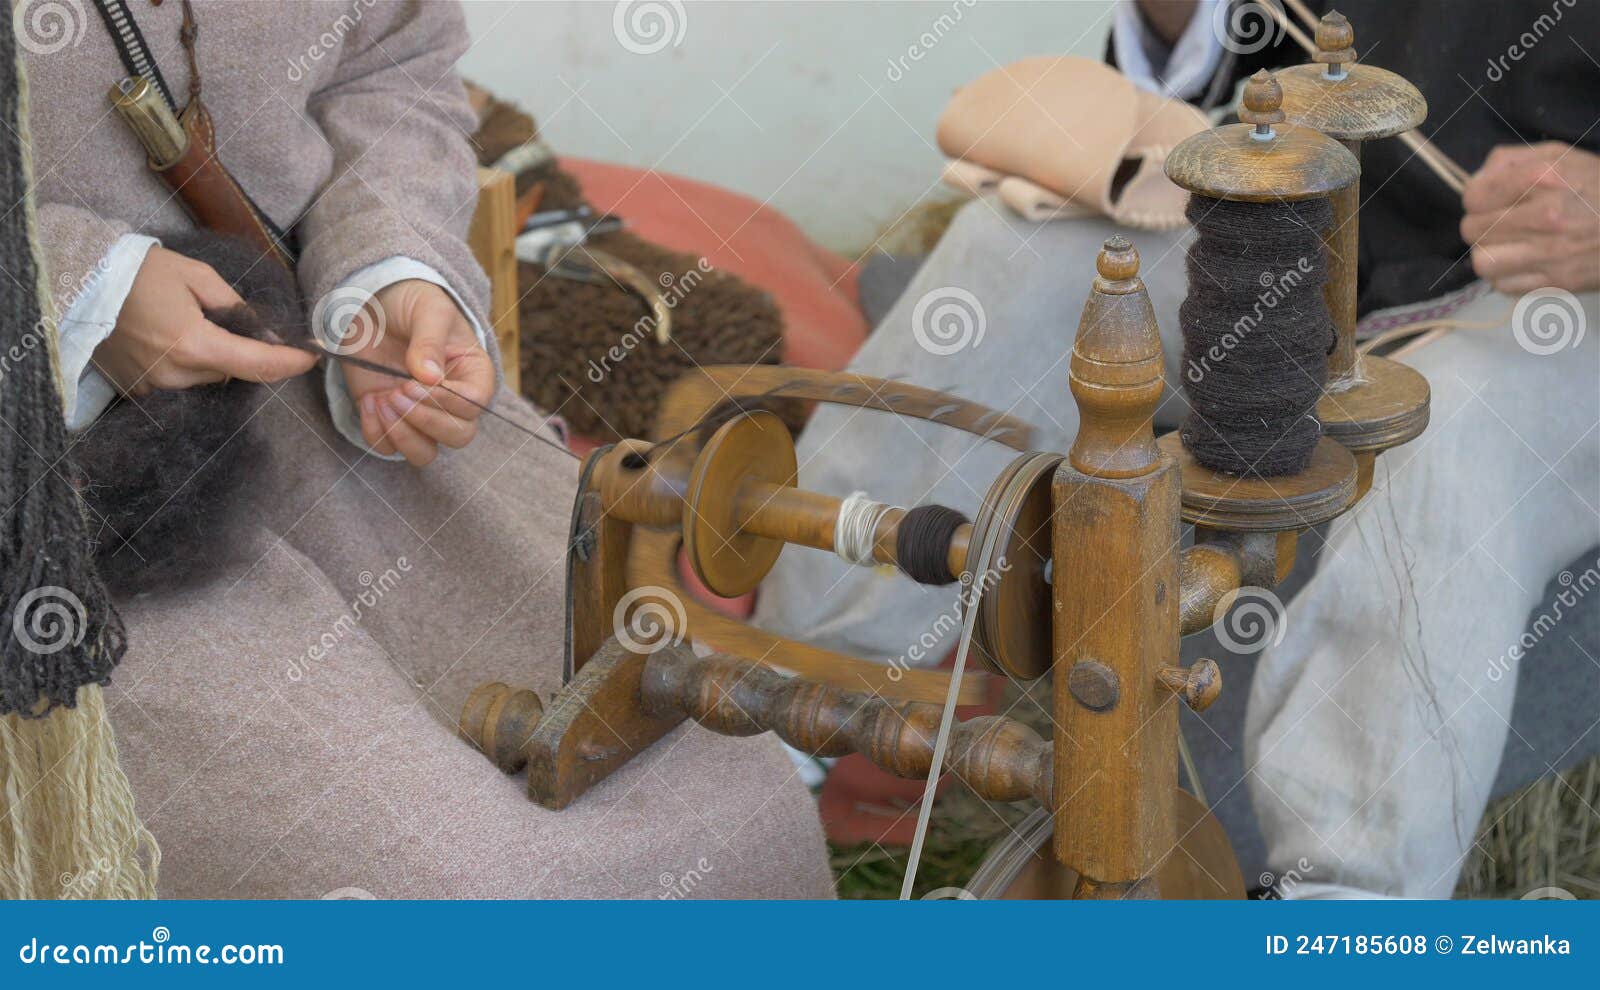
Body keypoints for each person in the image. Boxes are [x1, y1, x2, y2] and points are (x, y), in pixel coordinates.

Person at [754, 0, 1600, 897]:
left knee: (1455, 422)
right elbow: (1229, 65)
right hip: (1326, 225)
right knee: (1019, 249)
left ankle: (1342, 910)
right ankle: (780, 721)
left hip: (1564, 297)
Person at [19, 0, 831, 898]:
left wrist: (391, 267)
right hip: (54, 483)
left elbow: (393, 62)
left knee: (737, 796)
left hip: (330, 381)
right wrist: (74, 291)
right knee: (446, 880)